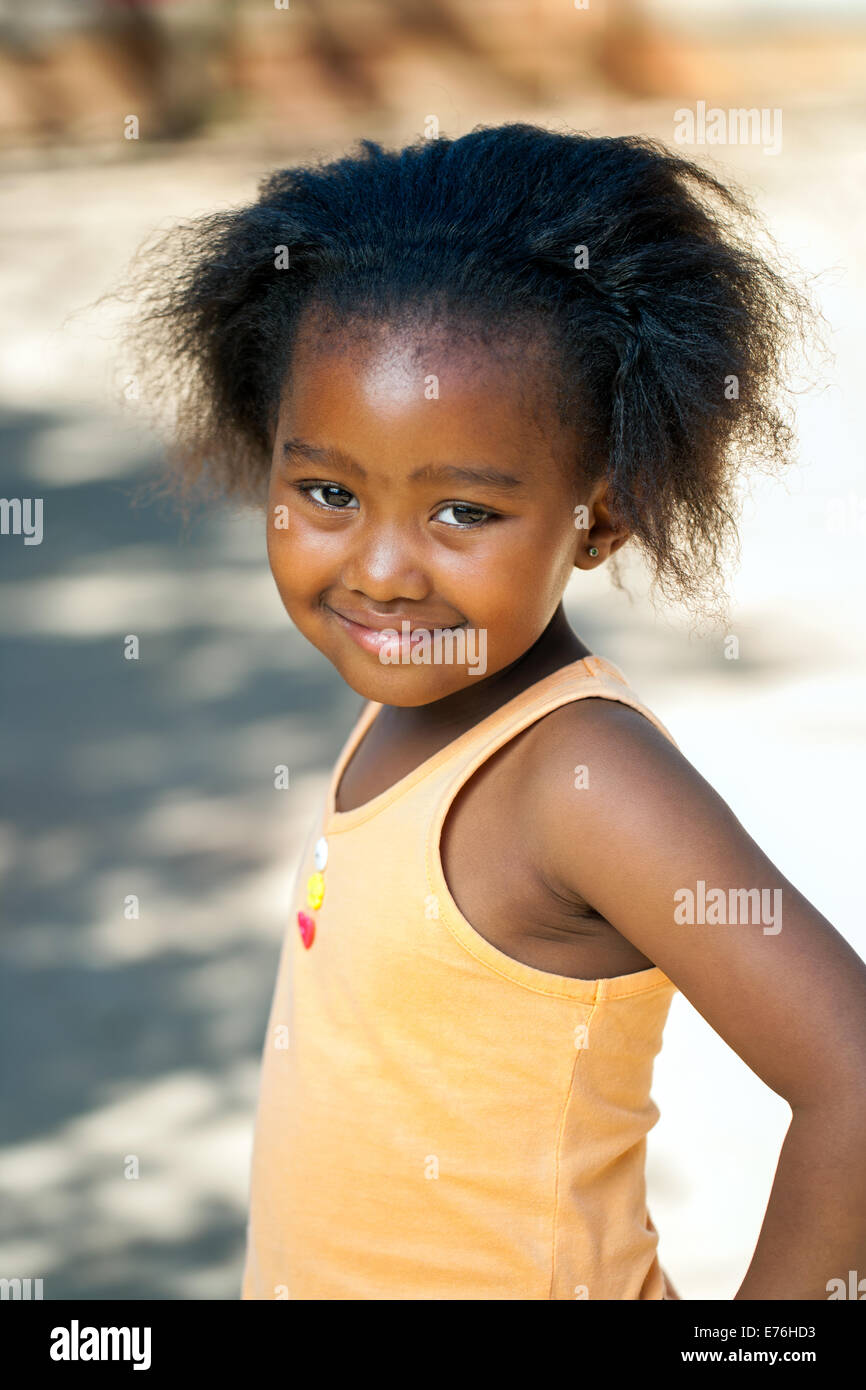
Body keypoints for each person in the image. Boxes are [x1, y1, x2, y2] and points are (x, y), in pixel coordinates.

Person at [122, 123, 866, 1300]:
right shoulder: (405, 700)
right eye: (326, 491)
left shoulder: (581, 779)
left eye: (461, 512)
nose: (379, 570)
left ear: (600, 520)